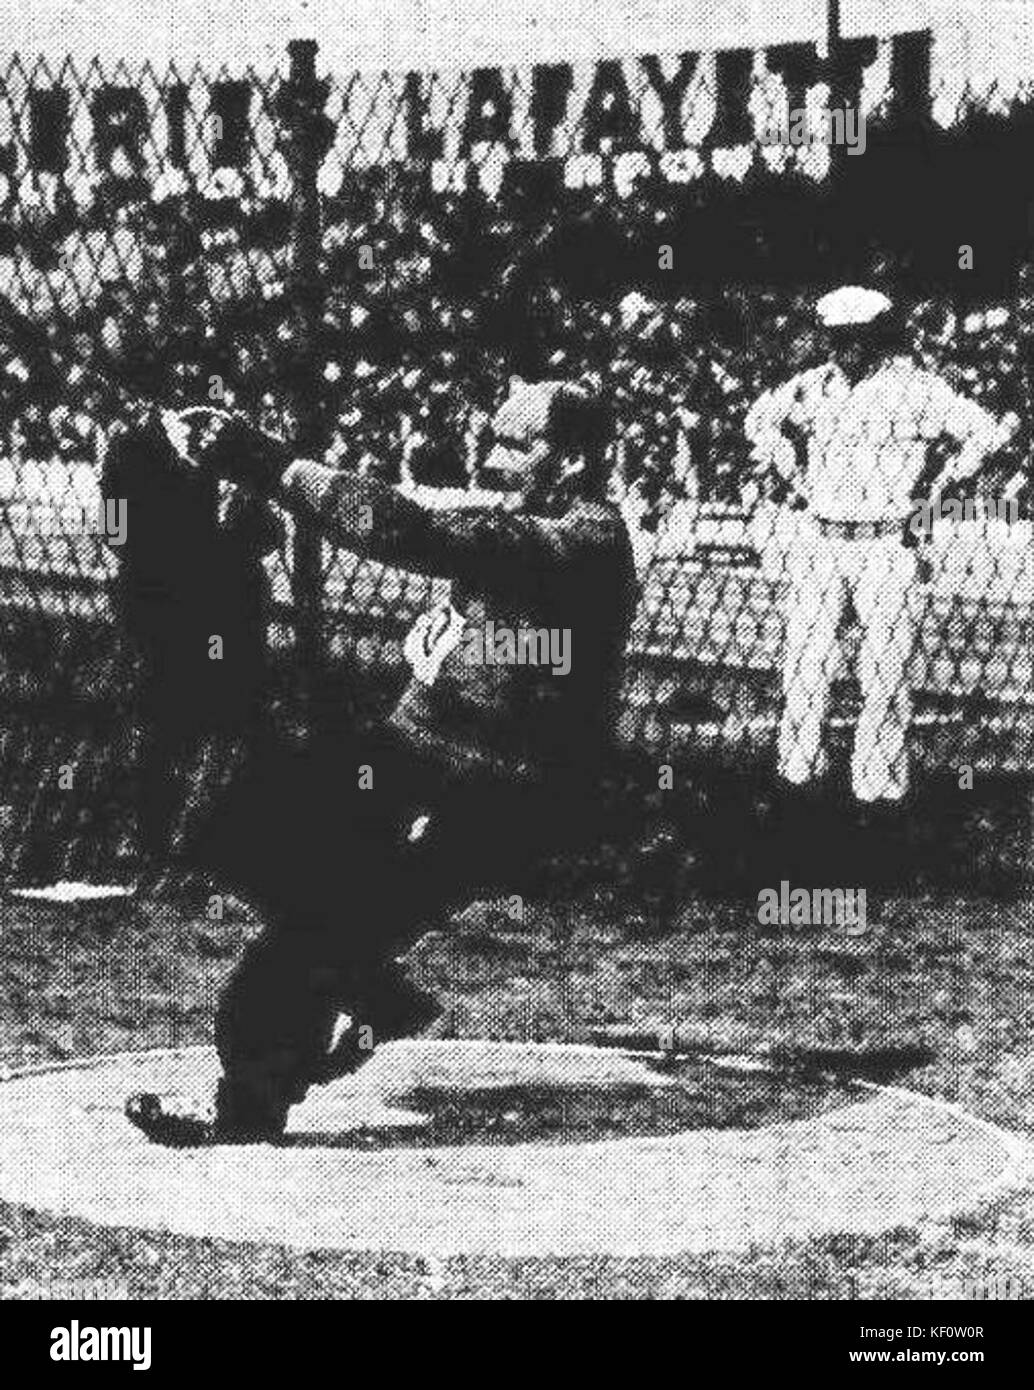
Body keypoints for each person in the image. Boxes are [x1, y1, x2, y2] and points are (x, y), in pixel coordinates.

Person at [118, 376, 636, 1145]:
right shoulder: (532, 516)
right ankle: (374, 992)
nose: (490, 458)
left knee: (305, 944)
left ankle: (254, 1105)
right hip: (411, 752)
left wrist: (270, 463)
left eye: (515, 445)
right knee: (226, 822)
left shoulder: (586, 542)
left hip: (497, 794)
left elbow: (409, 533)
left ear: (573, 462)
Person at [743, 286, 1012, 875]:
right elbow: (758, 419)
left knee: (885, 674)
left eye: (856, 337)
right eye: (836, 336)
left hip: (888, 540)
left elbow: (986, 433)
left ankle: (878, 799)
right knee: (804, 665)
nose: (844, 347)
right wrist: (792, 473)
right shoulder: (814, 386)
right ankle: (797, 785)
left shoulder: (915, 390)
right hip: (822, 537)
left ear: (880, 335)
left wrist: (936, 495)